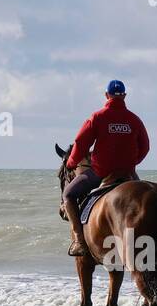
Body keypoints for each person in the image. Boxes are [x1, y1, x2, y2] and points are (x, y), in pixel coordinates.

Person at [62, 79, 150, 256]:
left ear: (106, 95)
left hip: (101, 172)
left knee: (68, 195)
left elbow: (80, 144)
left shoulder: (97, 117)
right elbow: (145, 146)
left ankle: (79, 240)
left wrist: (71, 163)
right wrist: (132, 163)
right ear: (124, 95)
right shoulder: (134, 119)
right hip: (129, 174)